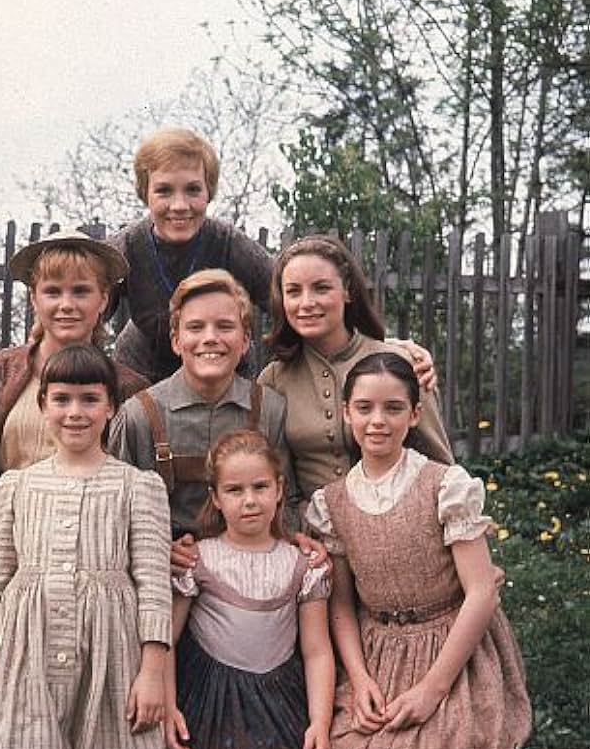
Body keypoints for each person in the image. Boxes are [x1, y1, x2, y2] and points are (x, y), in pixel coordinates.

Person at [308, 352, 531, 749]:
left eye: (393, 408)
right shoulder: (331, 502)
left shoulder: (444, 485)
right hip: (378, 650)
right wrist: (358, 678)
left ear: (414, 415)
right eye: (364, 408)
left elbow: (482, 592)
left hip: (449, 641)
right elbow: (342, 605)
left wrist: (433, 689)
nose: (378, 421)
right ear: (347, 414)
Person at [0, 344, 172, 749]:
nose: (75, 413)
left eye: (89, 399)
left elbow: (152, 583)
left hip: (112, 645)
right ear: (42, 406)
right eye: (61, 399)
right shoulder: (17, 486)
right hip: (30, 644)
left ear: (111, 407)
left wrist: (152, 673)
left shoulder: (138, 486)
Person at [108, 268, 315, 561]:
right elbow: (114, 509)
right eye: (195, 327)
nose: (210, 338)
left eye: (225, 326)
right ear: (176, 341)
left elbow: (288, 501)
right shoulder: (139, 416)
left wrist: (296, 539)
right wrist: (158, 552)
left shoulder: (270, 409)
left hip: (249, 570)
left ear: (245, 341)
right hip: (166, 574)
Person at [164, 430, 335, 749]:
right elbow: (168, 640)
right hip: (212, 694)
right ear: (215, 497)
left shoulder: (301, 564)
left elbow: (317, 651)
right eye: (234, 490)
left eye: (260, 487)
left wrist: (319, 722)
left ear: (280, 489)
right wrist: (168, 705)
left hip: (278, 693)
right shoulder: (198, 560)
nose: (250, 501)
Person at [258, 235, 453, 501]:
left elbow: (440, 466)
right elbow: (273, 478)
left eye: (321, 288)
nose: (306, 303)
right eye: (293, 291)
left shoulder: (402, 363)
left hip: (398, 526)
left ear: (347, 290)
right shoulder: (273, 380)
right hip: (313, 534)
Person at [0, 230, 149, 479]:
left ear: (103, 299)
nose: (67, 305)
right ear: (34, 300)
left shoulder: (128, 387)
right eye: (53, 292)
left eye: (80, 291)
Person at [108, 127, 273, 382]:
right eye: (164, 191)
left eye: (193, 190)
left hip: (226, 377)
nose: (180, 205)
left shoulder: (229, 244)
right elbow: (86, 310)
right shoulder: (127, 247)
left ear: (209, 192)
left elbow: (286, 301)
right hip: (142, 374)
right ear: (146, 194)